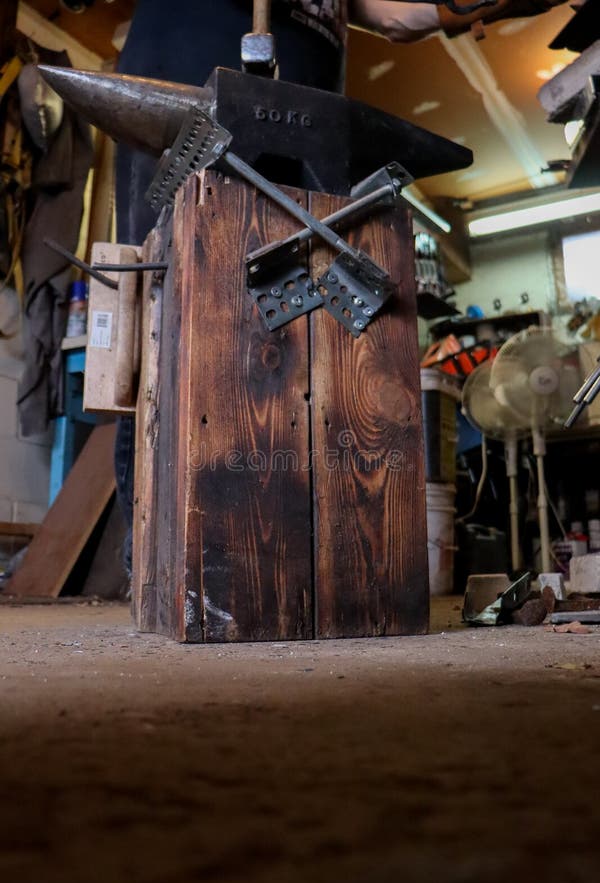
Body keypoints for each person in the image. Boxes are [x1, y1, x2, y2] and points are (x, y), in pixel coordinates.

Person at [114, 0, 567, 574]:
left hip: (312, 105)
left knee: (300, 335)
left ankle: (286, 553)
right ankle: (156, 561)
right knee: (174, 317)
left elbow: (393, 15)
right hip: (188, 59)